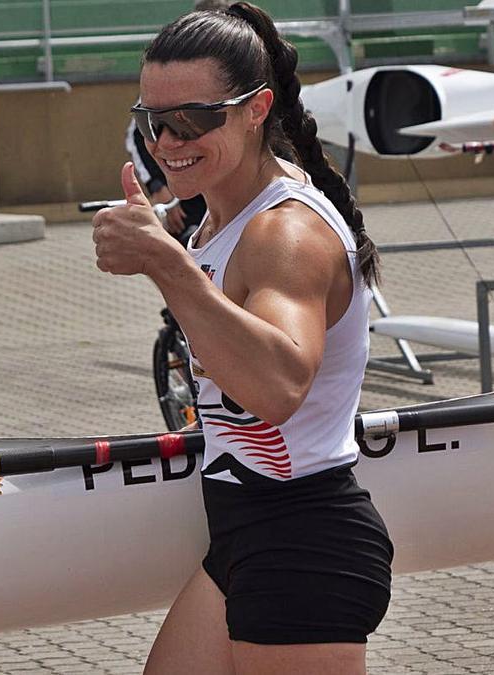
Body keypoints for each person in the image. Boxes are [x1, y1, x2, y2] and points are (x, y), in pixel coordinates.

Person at [92, 3, 392, 674]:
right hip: (246, 532)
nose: (169, 142)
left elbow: (280, 385)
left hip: (303, 543)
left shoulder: (283, 233)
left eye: (194, 119)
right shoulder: (216, 209)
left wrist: (166, 265)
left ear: (257, 109)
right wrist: (173, 249)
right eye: (153, 121)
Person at [126, 0, 230, 243]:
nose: (169, 141)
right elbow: (138, 136)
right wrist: (160, 188)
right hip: (188, 211)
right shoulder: (171, 79)